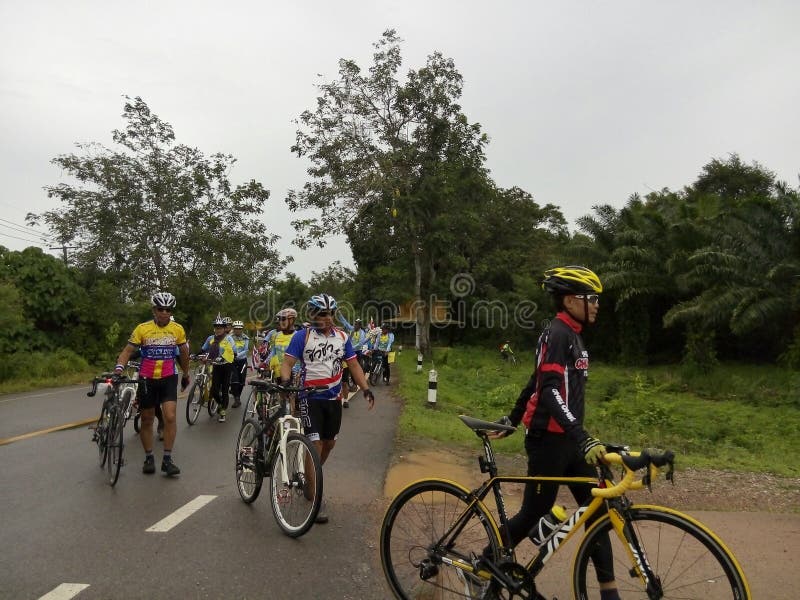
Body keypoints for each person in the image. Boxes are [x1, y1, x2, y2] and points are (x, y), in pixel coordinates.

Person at [491, 266, 620, 600]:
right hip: (548, 439)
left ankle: (609, 592)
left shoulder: (575, 336)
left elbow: (534, 381)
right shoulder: (557, 333)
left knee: (597, 510)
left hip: (571, 438)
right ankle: (486, 564)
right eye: (591, 298)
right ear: (569, 300)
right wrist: (577, 434)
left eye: (597, 299)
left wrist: (513, 416)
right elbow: (547, 388)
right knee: (534, 511)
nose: (596, 305)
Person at [281, 293, 374, 524]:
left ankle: (309, 475)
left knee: (329, 444)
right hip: (309, 397)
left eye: (331, 313)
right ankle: (314, 497)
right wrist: (284, 382)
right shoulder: (302, 336)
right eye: (323, 313)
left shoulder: (342, 336)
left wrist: (365, 388)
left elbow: (353, 364)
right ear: (312, 315)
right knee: (316, 444)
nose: (329, 317)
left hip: (333, 399)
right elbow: (287, 363)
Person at [114, 292, 190, 476]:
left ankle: (167, 459)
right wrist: (118, 369)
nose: (164, 312)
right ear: (154, 310)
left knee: (170, 416)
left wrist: (186, 373)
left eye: (168, 309)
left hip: (168, 377)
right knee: (147, 419)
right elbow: (127, 351)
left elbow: (184, 353)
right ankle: (149, 457)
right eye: (160, 309)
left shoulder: (177, 329)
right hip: (147, 378)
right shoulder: (142, 328)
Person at [201, 314, 235, 422]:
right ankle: (220, 404)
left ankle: (223, 411)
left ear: (224, 329)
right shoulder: (210, 338)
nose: (218, 330)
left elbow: (234, 351)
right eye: (216, 327)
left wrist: (223, 357)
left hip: (226, 366)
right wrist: (194, 354)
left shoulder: (229, 338)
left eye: (220, 328)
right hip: (215, 366)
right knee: (214, 390)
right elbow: (204, 349)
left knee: (225, 389)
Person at [336, 315, 369, 407]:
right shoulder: (351, 329)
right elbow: (345, 323)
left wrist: (350, 348)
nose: (355, 326)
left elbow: (361, 343)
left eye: (357, 324)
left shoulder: (362, 333)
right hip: (343, 356)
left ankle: (354, 384)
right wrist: (340, 315)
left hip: (356, 351)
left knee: (354, 369)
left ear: (360, 325)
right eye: (354, 324)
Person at [229, 320, 249, 407]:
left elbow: (246, 350)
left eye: (239, 329)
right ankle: (237, 399)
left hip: (242, 361)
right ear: (233, 329)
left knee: (241, 381)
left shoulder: (246, 338)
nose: (238, 330)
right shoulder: (229, 337)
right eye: (236, 328)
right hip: (232, 361)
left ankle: (238, 396)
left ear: (242, 329)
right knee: (234, 380)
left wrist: (237, 354)